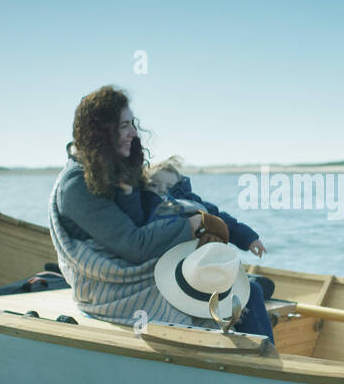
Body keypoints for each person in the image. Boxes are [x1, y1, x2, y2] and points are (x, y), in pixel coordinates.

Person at [49, 85, 273, 339]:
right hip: (113, 287)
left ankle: (259, 360)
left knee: (246, 293)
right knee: (235, 299)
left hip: (140, 270)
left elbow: (142, 221)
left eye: (132, 124)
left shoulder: (109, 172)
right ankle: (253, 366)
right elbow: (134, 245)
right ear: (100, 131)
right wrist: (190, 226)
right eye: (124, 125)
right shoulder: (76, 185)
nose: (134, 133)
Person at [147, 156, 268, 258]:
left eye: (169, 187)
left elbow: (220, 219)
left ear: (178, 187)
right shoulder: (144, 204)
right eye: (154, 185)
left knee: (257, 286)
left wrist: (249, 238)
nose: (162, 189)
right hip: (165, 261)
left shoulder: (190, 201)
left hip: (193, 257)